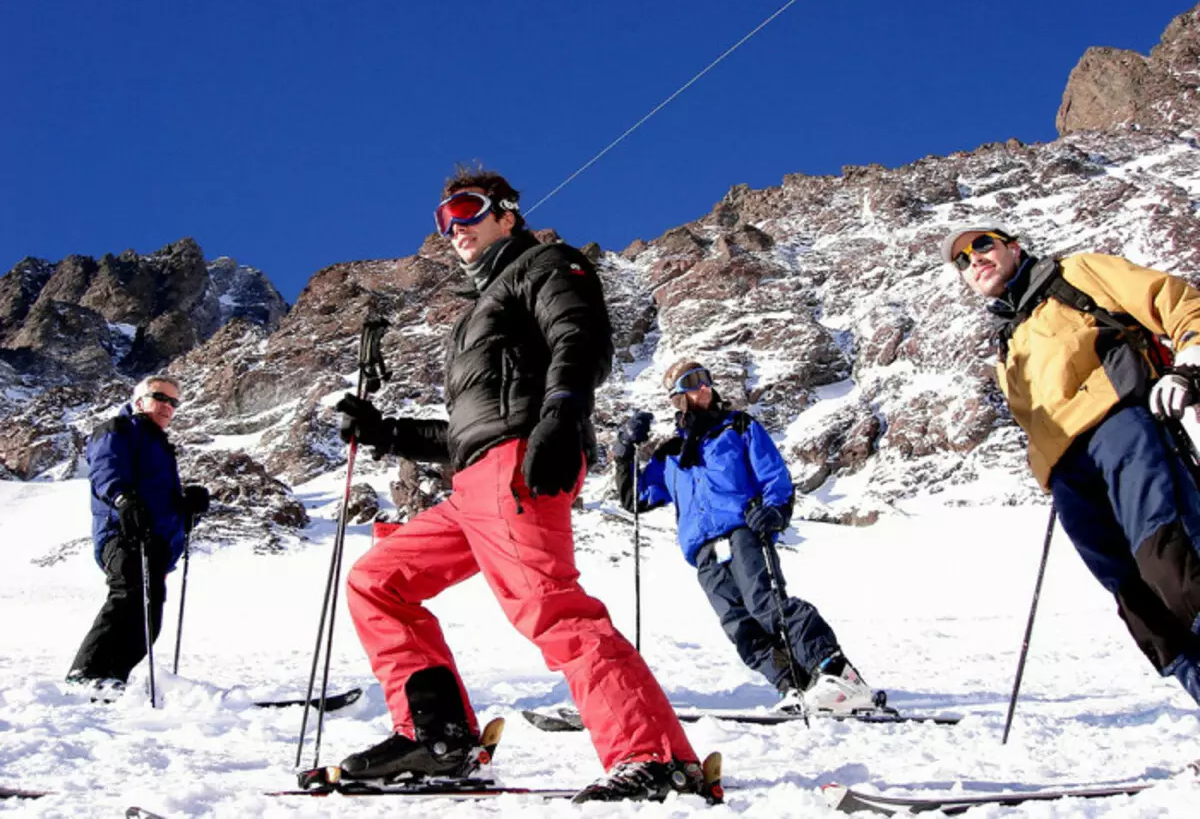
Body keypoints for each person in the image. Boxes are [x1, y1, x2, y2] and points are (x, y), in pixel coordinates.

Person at [334, 169, 705, 803]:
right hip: (476, 478)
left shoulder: (544, 264)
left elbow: (579, 336)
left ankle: (654, 757)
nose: (454, 228)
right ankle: (437, 737)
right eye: (442, 219)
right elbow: (466, 432)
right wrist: (386, 433)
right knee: (378, 582)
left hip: (519, 462)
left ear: (506, 212)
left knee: (549, 607)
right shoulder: (478, 315)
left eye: (466, 209)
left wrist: (562, 413)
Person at [941, 225, 1200, 703]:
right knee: (1140, 606)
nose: (973, 259)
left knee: (1171, 561)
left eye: (983, 245)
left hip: (1120, 426)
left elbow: (1173, 298)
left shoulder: (1075, 274)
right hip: (1067, 474)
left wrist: (1190, 361)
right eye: (961, 260)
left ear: (1014, 247)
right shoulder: (1007, 346)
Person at [613, 359, 879, 714]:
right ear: (677, 397)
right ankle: (795, 686)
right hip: (704, 550)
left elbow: (774, 475)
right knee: (739, 624)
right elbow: (636, 498)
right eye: (692, 382)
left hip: (743, 532)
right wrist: (624, 451)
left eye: (705, 378)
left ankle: (838, 673)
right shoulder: (671, 454)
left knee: (766, 605)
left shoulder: (738, 427)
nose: (704, 386)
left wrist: (775, 510)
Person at [67, 375, 210, 698]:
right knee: (129, 596)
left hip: (155, 542)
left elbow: (159, 500)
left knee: (149, 614)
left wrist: (187, 508)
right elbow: (107, 469)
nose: (167, 406)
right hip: (123, 533)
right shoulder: (120, 429)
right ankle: (85, 673)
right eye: (160, 397)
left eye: (173, 402)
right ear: (139, 399)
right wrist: (123, 499)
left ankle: (112, 678)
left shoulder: (158, 444)